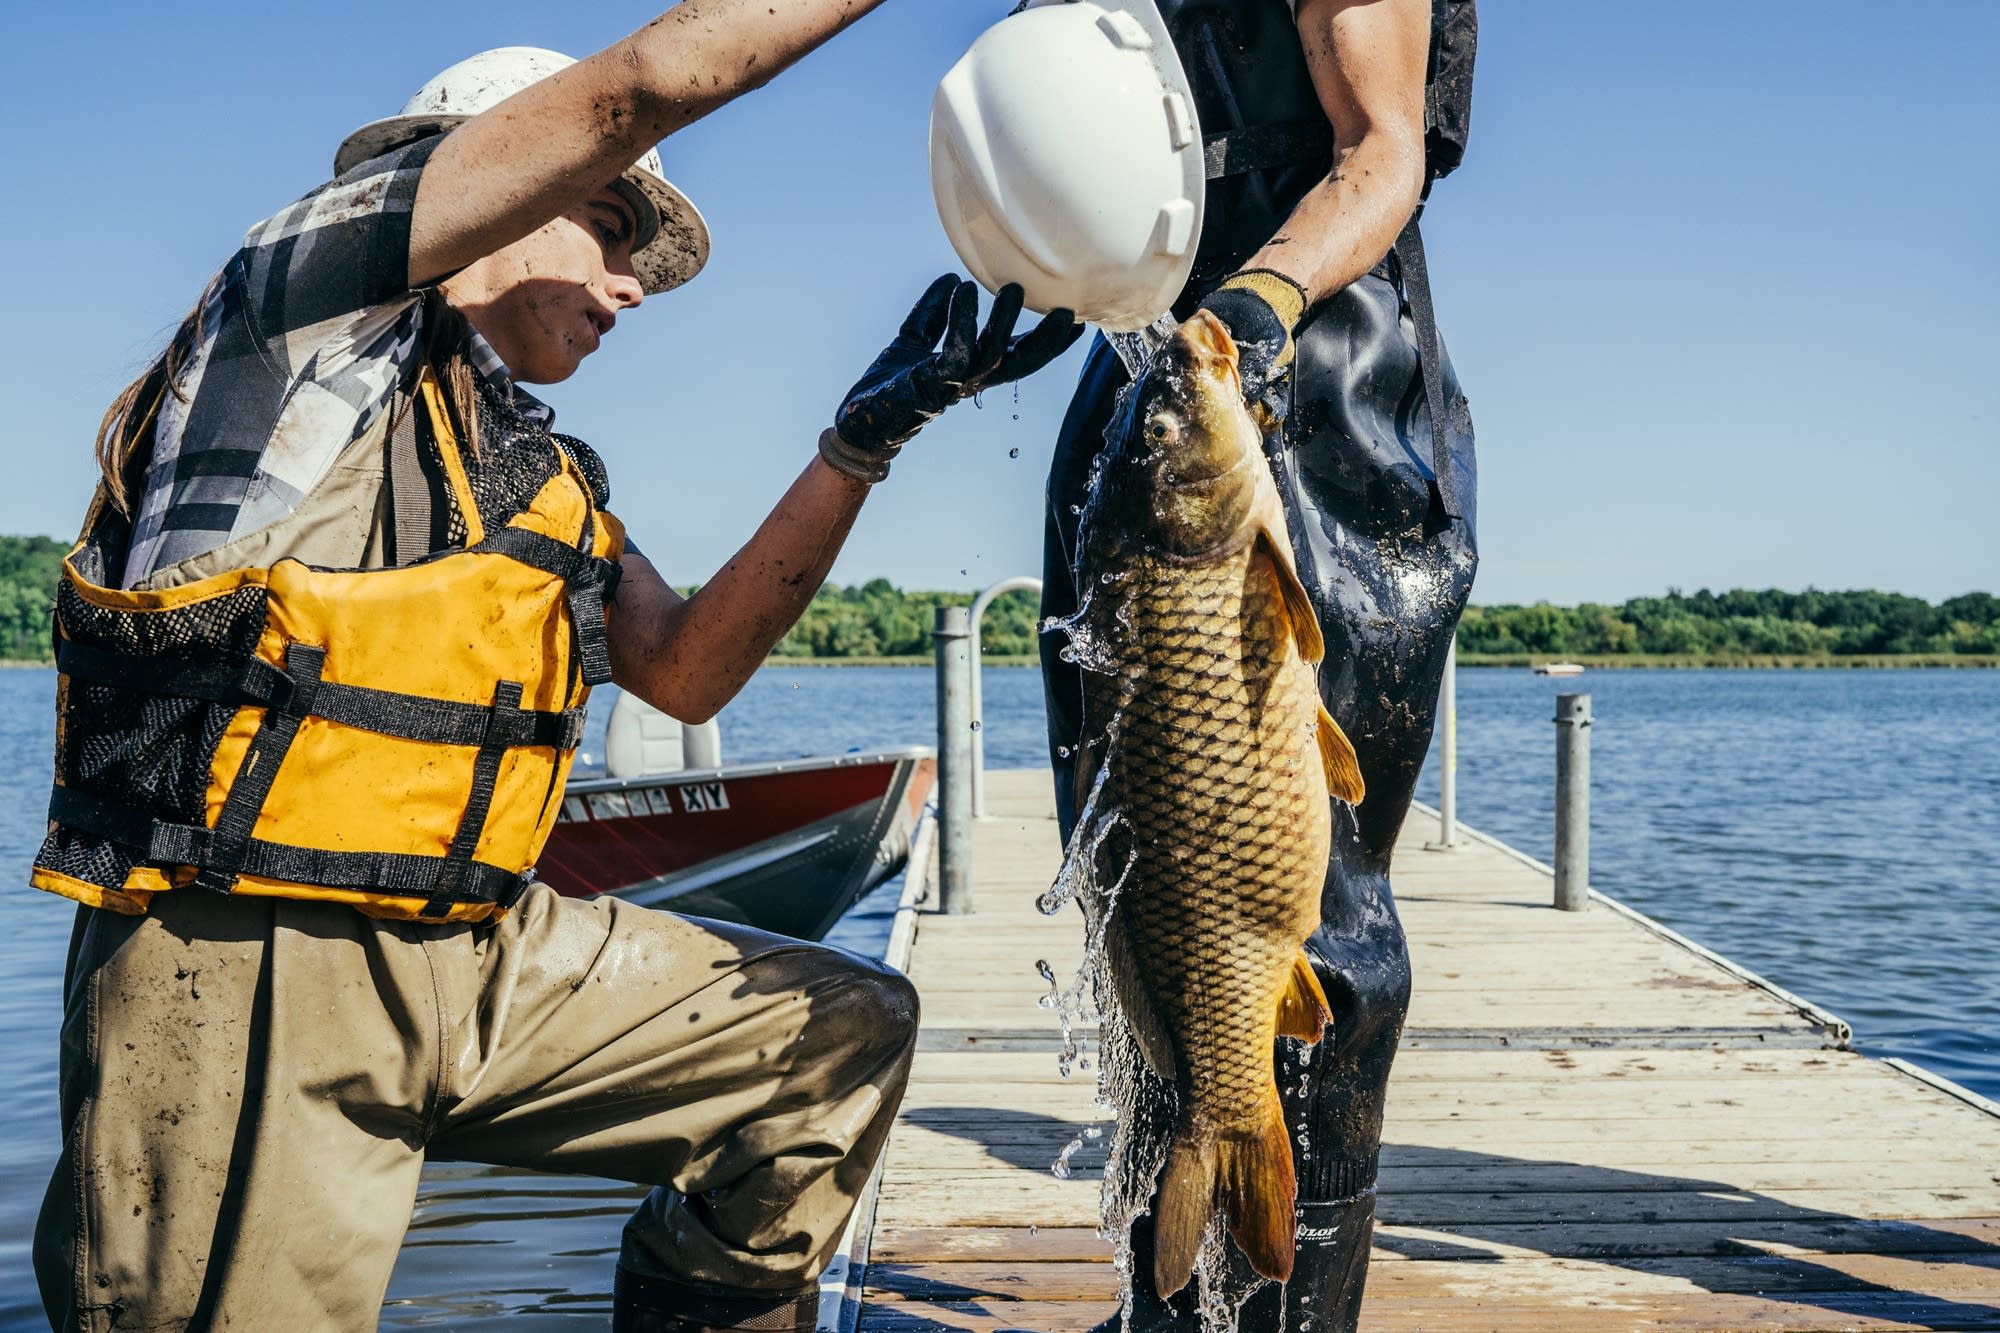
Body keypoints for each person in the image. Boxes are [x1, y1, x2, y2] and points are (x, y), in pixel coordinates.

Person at [30, 10, 1080, 1330]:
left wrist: (863, 442)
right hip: (249, 958)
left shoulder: (541, 471)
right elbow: (636, 87)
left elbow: (689, 674)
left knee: (832, 1040)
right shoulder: (304, 310)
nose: (634, 284)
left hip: (476, 952)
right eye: (612, 226)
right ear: (492, 180)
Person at [1037, 0, 1477, 1328]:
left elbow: (1380, 148)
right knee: (1143, 903)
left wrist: (1261, 296)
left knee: (1319, 947)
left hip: (1313, 367)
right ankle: (1174, 1298)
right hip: (1140, 388)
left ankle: (1285, 1311)